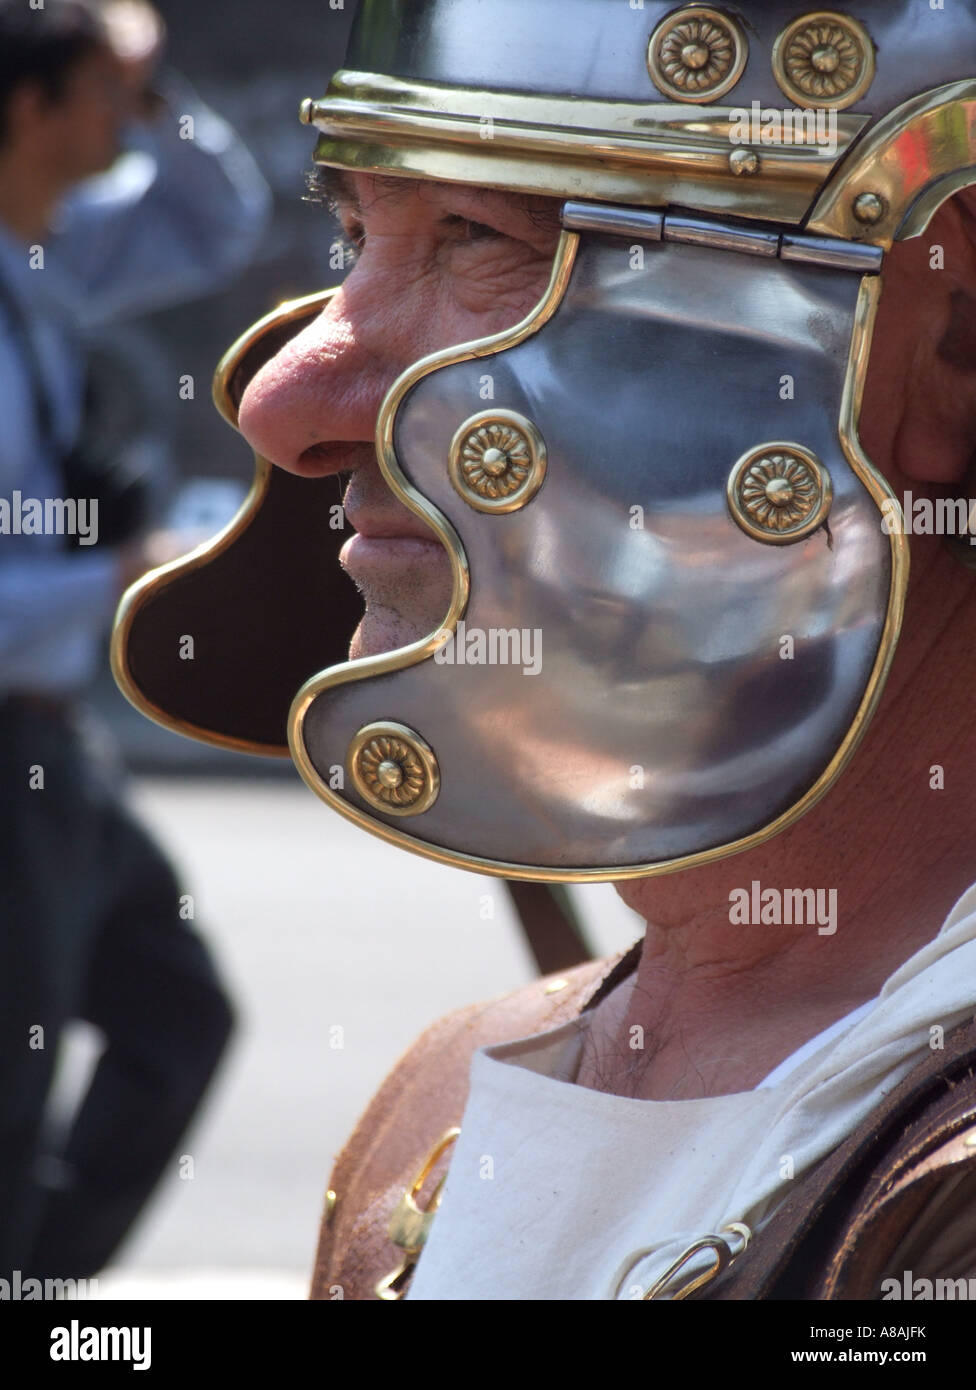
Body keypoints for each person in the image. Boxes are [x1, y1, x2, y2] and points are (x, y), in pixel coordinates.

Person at [118, 0, 976, 1300]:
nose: (282, 397)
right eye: (353, 233)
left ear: (941, 342)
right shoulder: (445, 1106)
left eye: (480, 238)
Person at [0, 0, 270, 1281]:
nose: (122, 123)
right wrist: (118, 575)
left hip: (50, 749)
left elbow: (218, 216)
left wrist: (152, 87)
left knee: (178, 1014)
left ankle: (41, 1279)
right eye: (100, 98)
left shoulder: (38, 254)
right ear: (27, 109)